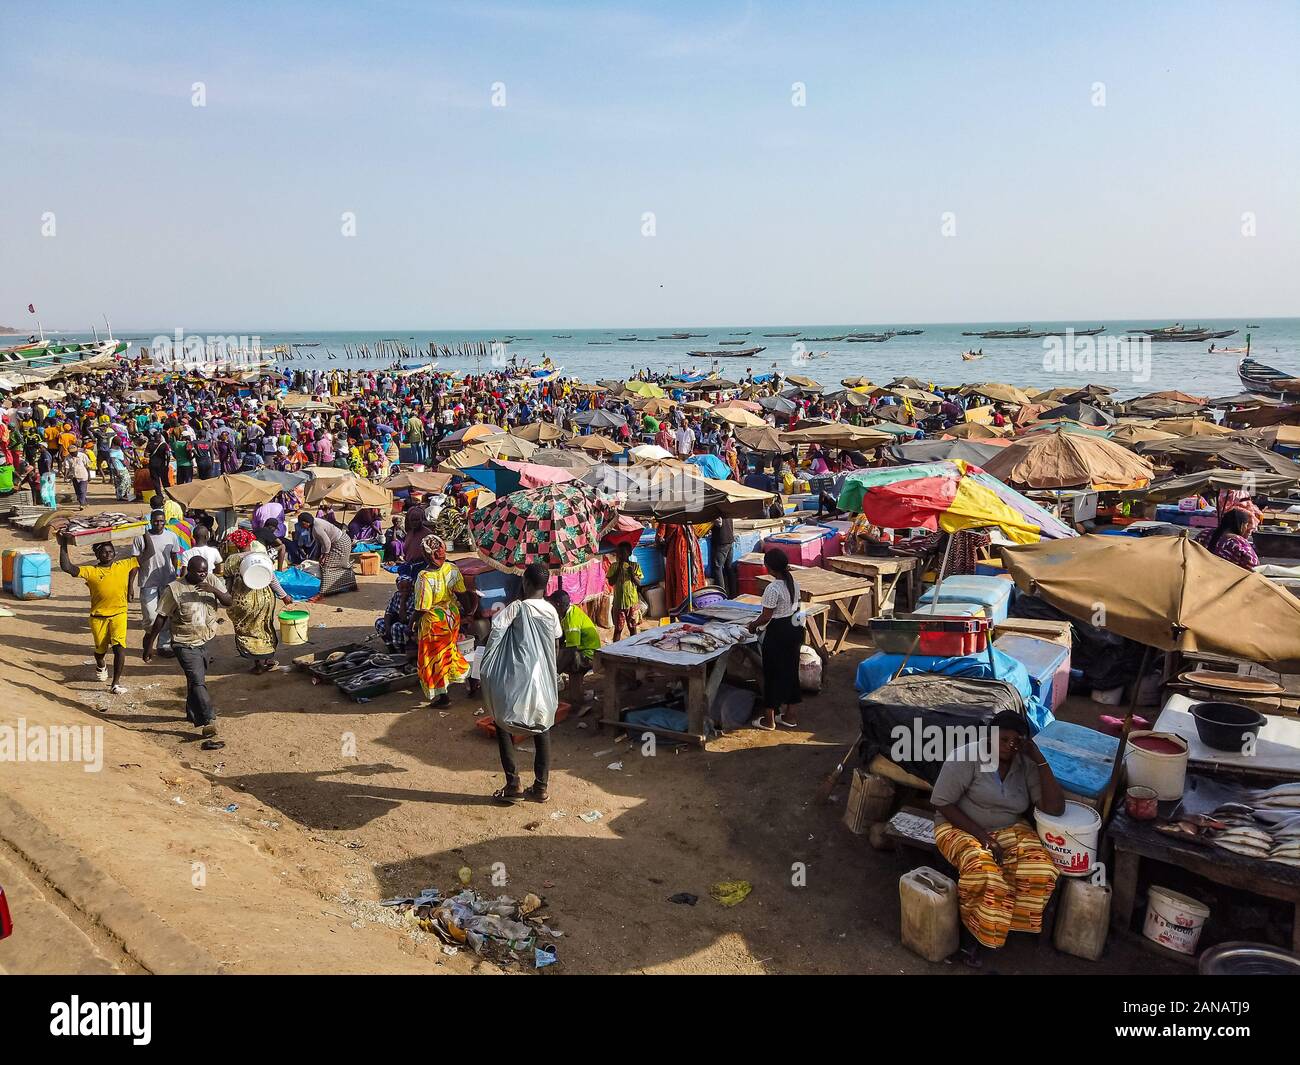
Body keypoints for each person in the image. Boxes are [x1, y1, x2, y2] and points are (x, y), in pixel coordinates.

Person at [931, 710, 1064, 964]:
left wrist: (1039, 760)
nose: (1009, 746)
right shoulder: (967, 757)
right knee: (985, 873)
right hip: (958, 827)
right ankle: (973, 937)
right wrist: (983, 838)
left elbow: (1055, 808)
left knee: (1042, 869)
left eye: (1016, 741)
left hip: (1010, 828)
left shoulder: (1024, 764)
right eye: (1003, 739)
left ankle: (1003, 925)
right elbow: (942, 803)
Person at [485, 563, 562, 805]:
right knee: (542, 727)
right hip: (543, 679)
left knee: (502, 724)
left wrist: (489, 666)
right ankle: (540, 787)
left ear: (525, 583)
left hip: (516, 678)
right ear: (545, 585)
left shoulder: (516, 609)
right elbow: (556, 644)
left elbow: (495, 633)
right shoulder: (551, 611)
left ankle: (513, 784)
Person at [143, 556, 232, 747]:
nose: (202, 574)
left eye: (205, 570)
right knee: (198, 681)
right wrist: (150, 643)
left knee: (195, 680)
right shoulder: (174, 589)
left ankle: (192, 714)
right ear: (188, 571)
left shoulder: (211, 580)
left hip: (206, 639)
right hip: (184, 643)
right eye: (199, 571)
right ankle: (209, 720)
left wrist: (213, 590)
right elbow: (161, 617)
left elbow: (229, 601)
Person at [59, 533, 138, 695]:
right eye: (104, 552)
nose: (108, 554)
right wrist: (63, 544)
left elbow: (148, 553)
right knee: (100, 651)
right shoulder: (91, 571)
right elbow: (67, 567)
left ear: (115, 553)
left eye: (111, 551)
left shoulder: (123, 565)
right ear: (97, 555)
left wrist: (145, 532)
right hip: (98, 618)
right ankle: (101, 664)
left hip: (119, 614)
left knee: (119, 649)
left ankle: (115, 683)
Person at [411, 534, 474, 707]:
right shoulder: (451, 569)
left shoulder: (424, 577)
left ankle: (443, 697)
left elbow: (422, 608)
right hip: (452, 617)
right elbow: (462, 594)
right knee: (450, 652)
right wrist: (468, 612)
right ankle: (472, 679)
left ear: (426, 555)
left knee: (434, 659)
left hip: (434, 623)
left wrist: (411, 623)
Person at [746, 549, 804, 729]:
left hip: (778, 632)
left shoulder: (773, 588)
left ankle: (769, 719)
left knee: (771, 674)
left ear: (769, 568)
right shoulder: (794, 582)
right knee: (791, 672)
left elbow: (765, 617)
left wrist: (752, 625)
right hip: (794, 629)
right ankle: (790, 716)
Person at [222, 535, 294, 673]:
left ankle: (258, 663)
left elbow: (228, 583)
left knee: (248, 630)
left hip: (243, 601)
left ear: (236, 544)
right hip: (265, 599)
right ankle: (267, 658)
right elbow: (272, 580)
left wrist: (228, 597)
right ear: (251, 542)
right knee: (264, 627)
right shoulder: (262, 556)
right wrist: (284, 596)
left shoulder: (231, 560)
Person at [133, 508, 181, 653]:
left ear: (165, 521)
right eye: (155, 521)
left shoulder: (172, 536)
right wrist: (130, 585)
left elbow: (174, 556)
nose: (158, 524)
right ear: (150, 522)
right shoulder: (140, 538)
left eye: (161, 521)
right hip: (147, 582)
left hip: (167, 581)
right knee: (150, 616)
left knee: (166, 614)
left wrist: (176, 575)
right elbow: (134, 563)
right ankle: (149, 636)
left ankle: (164, 645)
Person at [548, 589, 600, 708]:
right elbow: (562, 638)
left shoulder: (572, 620)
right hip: (584, 651)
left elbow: (571, 648)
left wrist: (556, 669)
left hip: (589, 654)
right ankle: (577, 694)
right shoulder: (568, 614)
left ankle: (572, 694)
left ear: (558, 605)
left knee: (565, 660)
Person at [297, 512, 357, 598]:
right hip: (343, 540)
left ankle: (323, 593)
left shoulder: (317, 528)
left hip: (340, 543)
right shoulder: (316, 522)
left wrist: (323, 556)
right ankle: (351, 585)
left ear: (307, 522)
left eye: (302, 524)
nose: (302, 526)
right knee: (342, 564)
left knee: (326, 566)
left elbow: (327, 543)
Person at [605, 541, 643, 642]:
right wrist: (618, 570)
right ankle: (616, 651)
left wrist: (632, 574)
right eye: (618, 553)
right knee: (618, 629)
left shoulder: (635, 566)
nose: (620, 556)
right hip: (618, 604)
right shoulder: (613, 566)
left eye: (623, 553)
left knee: (632, 628)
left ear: (629, 553)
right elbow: (611, 582)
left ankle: (633, 649)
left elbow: (639, 583)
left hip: (632, 603)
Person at [67, 444, 91, 509]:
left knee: (82, 490)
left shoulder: (83, 456)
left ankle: (82, 504)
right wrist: (67, 475)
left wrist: (89, 475)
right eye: (71, 453)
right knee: (78, 491)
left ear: (76, 451)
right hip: (74, 476)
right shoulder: (68, 457)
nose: (73, 454)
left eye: (74, 453)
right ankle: (85, 502)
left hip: (83, 475)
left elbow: (88, 466)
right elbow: (67, 467)